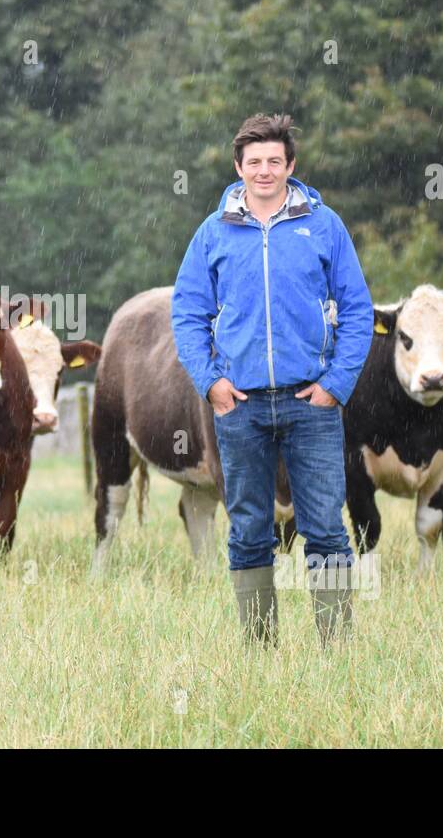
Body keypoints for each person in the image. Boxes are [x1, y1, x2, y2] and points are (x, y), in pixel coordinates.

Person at [172, 114, 373, 647]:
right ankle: (259, 650)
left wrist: (336, 385)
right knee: (249, 533)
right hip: (240, 407)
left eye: (274, 162)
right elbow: (188, 313)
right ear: (238, 167)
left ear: (291, 166)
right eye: (254, 162)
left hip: (314, 403)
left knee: (327, 530)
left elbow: (357, 310)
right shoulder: (213, 232)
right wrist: (211, 383)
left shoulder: (324, 225)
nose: (265, 171)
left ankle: (337, 648)